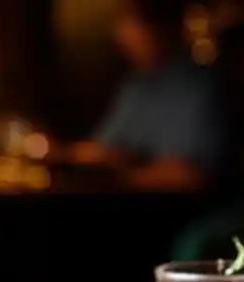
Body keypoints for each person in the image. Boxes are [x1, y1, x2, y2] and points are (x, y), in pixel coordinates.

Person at [66, 0, 232, 191]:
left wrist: (120, 178)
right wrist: (58, 155)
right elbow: (105, 149)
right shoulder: (137, 86)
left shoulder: (198, 87)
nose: (121, 38)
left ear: (161, 29)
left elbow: (189, 175)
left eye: (131, 26)